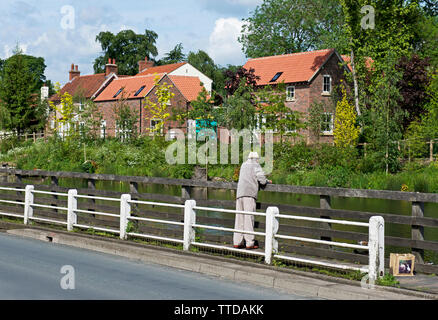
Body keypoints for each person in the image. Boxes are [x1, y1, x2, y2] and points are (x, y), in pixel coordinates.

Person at [233, 152, 272, 249]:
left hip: (240, 194)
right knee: (248, 218)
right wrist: (267, 181)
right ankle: (249, 243)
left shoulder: (243, 164)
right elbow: (262, 180)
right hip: (249, 194)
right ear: (256, 159)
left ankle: (237, 242)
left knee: (239, 218)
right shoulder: (255, 165)